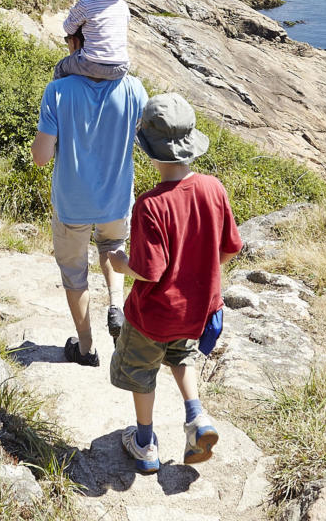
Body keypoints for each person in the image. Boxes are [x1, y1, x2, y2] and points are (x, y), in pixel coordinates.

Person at [107, 94, 242, 475]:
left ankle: (145, 442)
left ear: (148, 149)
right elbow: (231, 247)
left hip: (152, 316)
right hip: (197, 310)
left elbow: (149, 270)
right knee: (181, 357)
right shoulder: (213, 188)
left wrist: (120, 264)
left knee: (141, 371)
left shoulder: (150, 204)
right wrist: (200, 276)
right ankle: (197, 418)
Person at [33, 63, 148, 367]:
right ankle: (115, 304)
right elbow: (148, 141)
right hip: (116, 196)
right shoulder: (133, 88)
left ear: (77, 43)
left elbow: (41, 158)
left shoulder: (58, 90)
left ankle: (86, 349)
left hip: (72, 202)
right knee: (112, 249)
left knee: (74, 272)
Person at [58, 0, 131, 81]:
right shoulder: (123, 6)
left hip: (91, 64)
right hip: (121, 67)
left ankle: (62, 96)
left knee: (61, 67)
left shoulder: (85, 5)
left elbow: (68, 28)